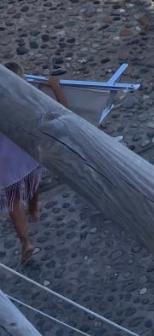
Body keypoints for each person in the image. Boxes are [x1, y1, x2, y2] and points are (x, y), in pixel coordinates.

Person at [2, 62, 69, 265]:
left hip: (3, 158)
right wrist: (55, 87)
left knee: (12, 201)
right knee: (33, 182)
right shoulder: (27, 99)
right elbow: (63, 111)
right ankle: (34, 209)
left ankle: (26, 243)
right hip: (27, 151)